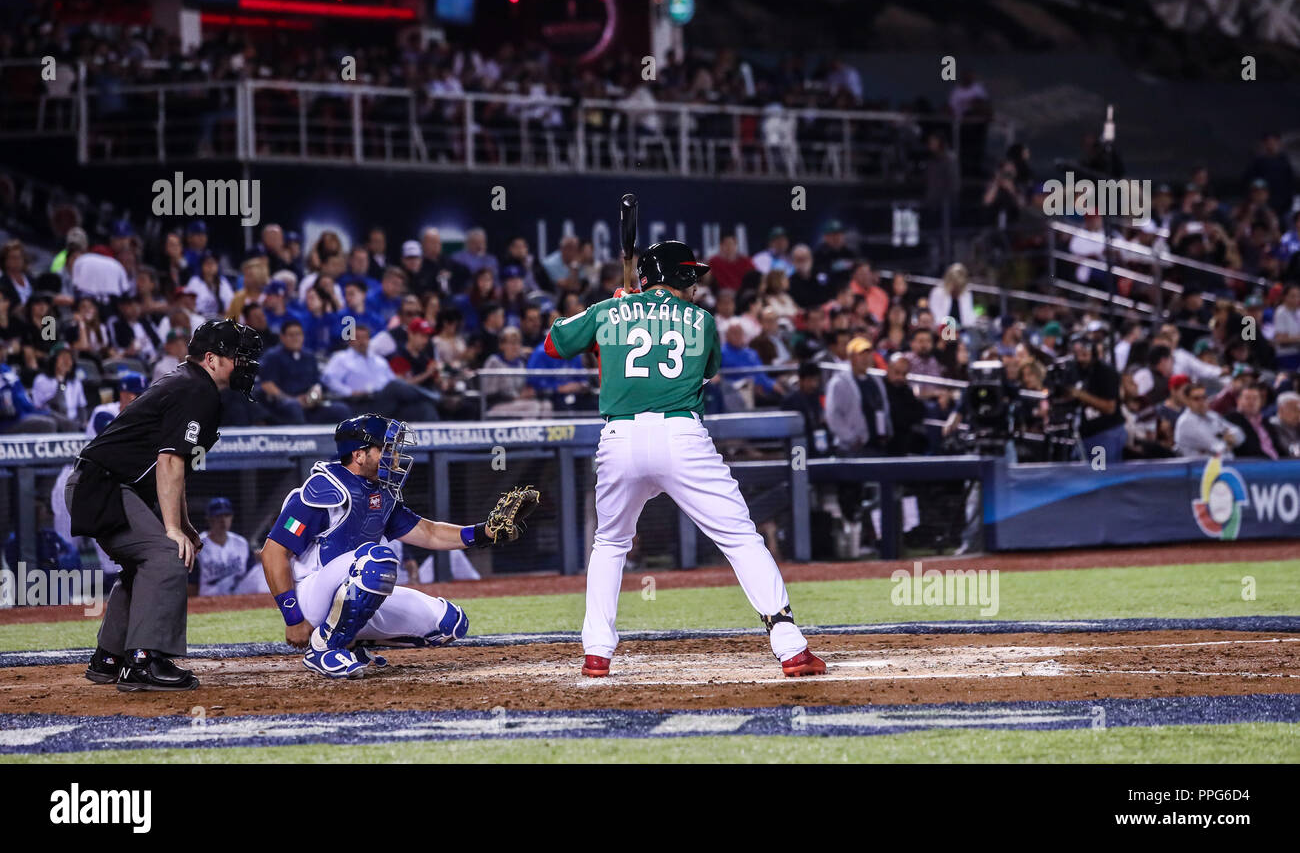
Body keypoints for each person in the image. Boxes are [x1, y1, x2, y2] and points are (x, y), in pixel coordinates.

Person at [544, 240, 824, 678]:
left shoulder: (608, 309)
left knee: (611, 543)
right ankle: (789, 645)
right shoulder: (703, 320)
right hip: (681, 436)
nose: (696, 284)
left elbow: (554, 343)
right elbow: (707, 370)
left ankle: (597, 651)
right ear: (674, 277)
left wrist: (611, 314)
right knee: (740, 538)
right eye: (690, 275)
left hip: (620, 438)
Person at [259, 413, 536, 678]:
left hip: (352, 585)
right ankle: (324, 648)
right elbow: (273, 553)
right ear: (358, 455)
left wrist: (485, 533)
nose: (394, 456)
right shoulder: (323, 488)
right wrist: (293, 617)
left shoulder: (381, 492)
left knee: (449, 623)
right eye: (386, 448)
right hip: (313, 594)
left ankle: (352, 644)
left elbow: (430, 533)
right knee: (377, 561)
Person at [67, 319, 263, 691]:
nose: (244, 365)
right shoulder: (195, 389)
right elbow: (169, 461)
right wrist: (172, 530)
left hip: (105, 484)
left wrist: (183, 522)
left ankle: (109, 658)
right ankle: (144, 661)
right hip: (103, 486)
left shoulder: (190, 383)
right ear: (211, 358)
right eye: (237, 357)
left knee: (146, 565)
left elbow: (176, 469)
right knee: (167, 558)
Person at [320, 323, 439, 423]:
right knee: (395, 387)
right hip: (360, 404)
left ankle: (437, 448)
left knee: (424, 408)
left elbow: (392, 381)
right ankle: (434, 397)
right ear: (350, 340)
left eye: (365, 338)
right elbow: (329, 379)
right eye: (358, 338)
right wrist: (350, 392)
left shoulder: (379, 360)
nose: (362, 341)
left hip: (385, 403)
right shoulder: (342, 358)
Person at [257, 319, 351, 425]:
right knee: (293, 407)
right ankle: (302, 441)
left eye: (298, 334)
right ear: (282, 337)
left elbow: (317, 383)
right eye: (291, 335)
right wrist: (293, 399)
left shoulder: (309, 356)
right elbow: (267, 385)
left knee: (341, 409)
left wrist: (315, 393)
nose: (295, 338)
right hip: (283, 404)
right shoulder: (273, 356)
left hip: (310, 404)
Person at [825, 336, 891, 456]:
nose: (865, 358)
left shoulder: (876, 381)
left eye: (868, 354)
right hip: (852, 448)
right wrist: (850, 438)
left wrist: (886, 431)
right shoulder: (839, 382)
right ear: (851, 357)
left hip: (877, 444)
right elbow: (833, 415)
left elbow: (883, 407)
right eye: (861, 354)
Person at [1068, 334, 1126, 464]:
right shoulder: (1073, 370)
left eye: (1085, 350)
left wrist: (1081, 395)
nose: (1081, 354)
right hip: (1086, 434)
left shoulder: (1106, 372)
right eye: (1077, 351)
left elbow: (1110, 408)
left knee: (1101, 475)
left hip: (1104, 433)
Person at [194, 498, 253, 596]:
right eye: (218, 516)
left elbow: (250, 575)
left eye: (227, 515)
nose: (223, 520)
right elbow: (191, 581)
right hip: (208, 600)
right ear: (209, 518)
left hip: (239, 598)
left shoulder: (241, 543)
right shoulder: (197, 545)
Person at [1175, 381, 1246, 458]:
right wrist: (1228, 441)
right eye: (1196, 399)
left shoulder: (1213, 416)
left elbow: (1240, 435)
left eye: (1204, 397)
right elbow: (1217, 447)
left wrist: (1232, 437)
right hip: (1199, 468)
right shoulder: (1186, 422)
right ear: (1187, 401)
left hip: (1224, 465)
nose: (1202, 402)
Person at [1227, 383, 1281, 460]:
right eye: (1247, 398)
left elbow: (1278, 448)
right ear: (1238, 401)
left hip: (1278, 463)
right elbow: (1247, 449)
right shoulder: (1232, 420)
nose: (1251, 402)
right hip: (1254, 464)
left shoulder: (1266, 422)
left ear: (1261, 402)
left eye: (1255, 398)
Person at [86, 371, 145, 437]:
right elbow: (114, 439)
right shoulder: (104, 412)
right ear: (123, 394)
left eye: (145, 395)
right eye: (137, 394)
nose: (142, 398)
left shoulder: (144, 414)